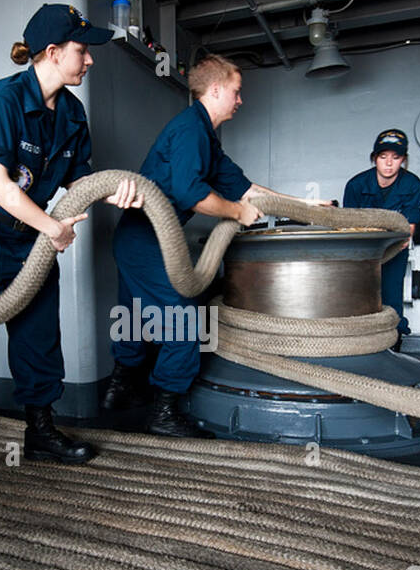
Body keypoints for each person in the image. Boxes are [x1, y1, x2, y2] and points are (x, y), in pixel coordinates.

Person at [0, 4, 142, 509]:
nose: (89, 60)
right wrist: (53, 228)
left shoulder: (71, 112)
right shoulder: (2, 100)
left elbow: (78, 181)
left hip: (30, 240)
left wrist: (114, 192)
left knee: (40, 337)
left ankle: (40, 434)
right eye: (82, 50)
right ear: (52, 52)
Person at [101, 54, 329, 437]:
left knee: (134, 315)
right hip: (147, 239)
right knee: (186, 320)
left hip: (140, 239)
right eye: (237, 92)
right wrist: (237, 214)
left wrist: (303, 205)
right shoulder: (191, 130)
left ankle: (120, 391)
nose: (241, 101)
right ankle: (165, 410)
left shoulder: (206, 137)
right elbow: (194, 196)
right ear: (217, 89)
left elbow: (248, 189)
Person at [342, 128, 420, 353]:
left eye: (396, 158)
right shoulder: (356, 185)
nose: (389, 164)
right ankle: (360, 345)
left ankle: (393, 344)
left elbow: (410, 224)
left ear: (403, 160)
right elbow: (348, 224)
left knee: (391, 296)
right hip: (362, 252)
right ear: (374, 158)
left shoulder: (412, 185)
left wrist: (405, 237)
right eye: (383, 157)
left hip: (395, 250)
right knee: (360, 297)